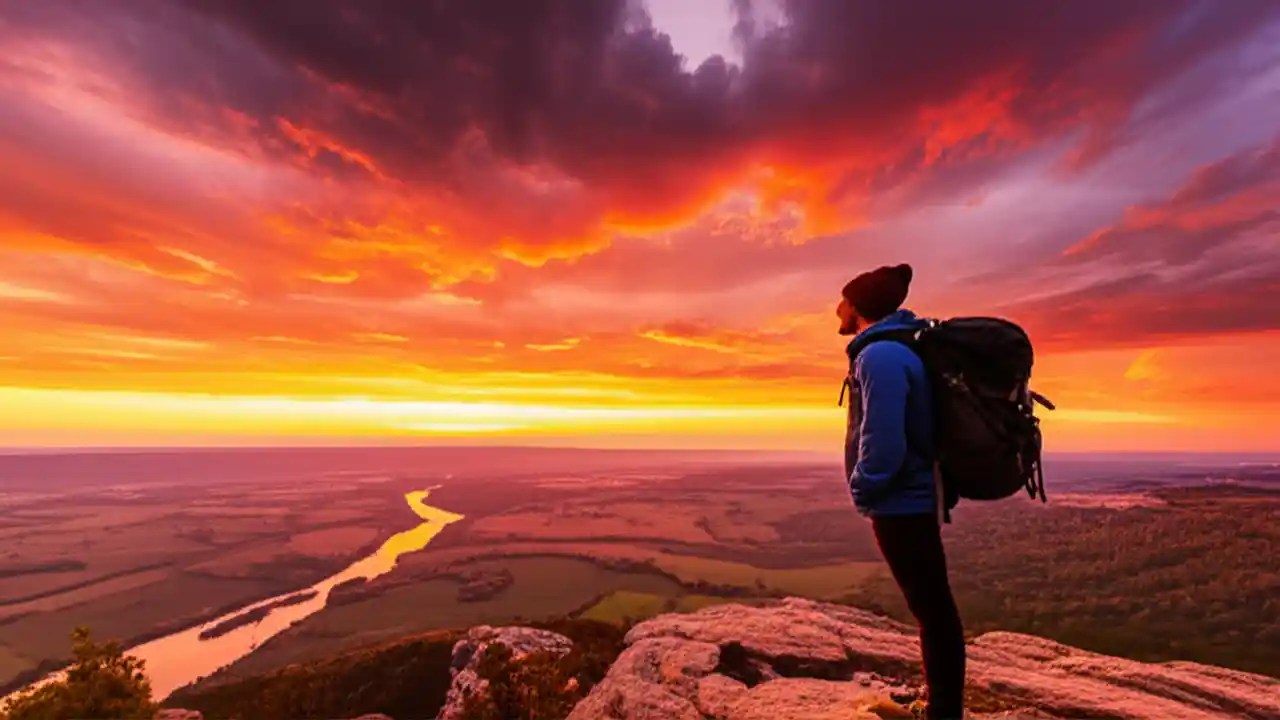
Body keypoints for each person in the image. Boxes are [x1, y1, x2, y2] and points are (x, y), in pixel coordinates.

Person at [837, 263, 966, 720]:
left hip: (901, 501)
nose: (837, 309)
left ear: (858, 307)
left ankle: (944, 712)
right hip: (911, 495)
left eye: (843, 301)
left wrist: (864, 487)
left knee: (932, 610)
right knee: (931, 607)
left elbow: (884, 439)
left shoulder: (880, 357)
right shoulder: (893, 351)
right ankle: (941, 703)